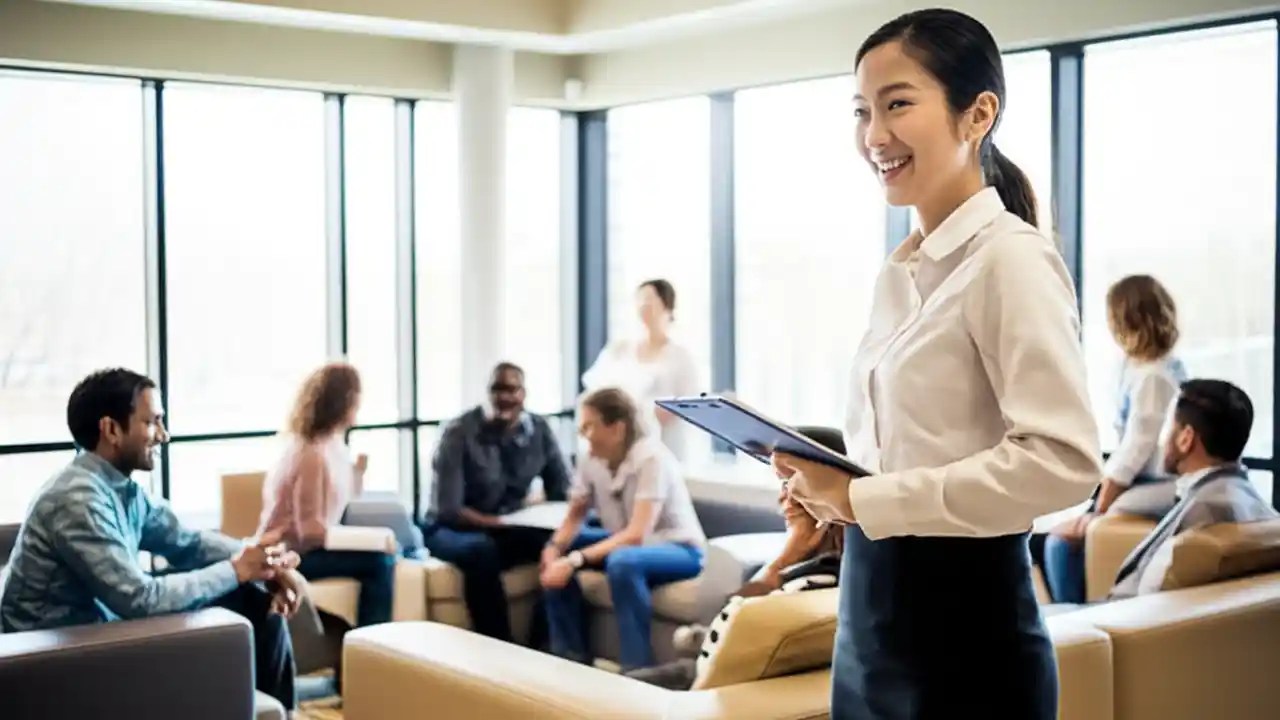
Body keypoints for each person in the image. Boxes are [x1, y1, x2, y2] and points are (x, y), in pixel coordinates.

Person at [769, 9, 1102, 718]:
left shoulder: (1009, 259)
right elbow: (909, 453)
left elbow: (1064, 462)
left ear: (977, 114)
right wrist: (832, 496)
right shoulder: (903, 272)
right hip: (871, 619)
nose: (874, 136)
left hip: (965, 633)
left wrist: (865, 500)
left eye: (897, 105)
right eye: (862, 111)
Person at [0, 369, 304, 710]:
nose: (164, 435)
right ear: (112, 429)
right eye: (152, 422)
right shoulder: (77, 500)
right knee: (241, 590)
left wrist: (264, 563)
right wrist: (237, 569)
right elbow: (140, 600)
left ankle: (275, 713)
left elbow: (188, 543)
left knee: (254, 597)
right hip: (59, 652)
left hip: (101, 627)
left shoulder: (120, 489)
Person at [1052, 379, 1277, 607]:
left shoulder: (1203, 513)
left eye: (1168, 426)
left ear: (1185, 438)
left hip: (1123, 625)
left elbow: (1144, 604)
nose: (1162, 440)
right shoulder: (1254, 505)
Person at [1043, 274, 1187, 602]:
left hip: (1159, 485)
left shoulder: (1155, 376)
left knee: (1059, 542)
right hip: (1143, 480)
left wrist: (1099, 511)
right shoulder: (1139, 366)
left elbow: (1136, 448)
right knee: (1057, 537)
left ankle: (1075, 614)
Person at [540, 388, 706, 671]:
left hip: (679, 548)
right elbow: (575, 515)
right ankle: (570, 659)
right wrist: (554, 549)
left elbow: (636, 534)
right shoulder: (590, 459)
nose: (582, 432)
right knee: (565, 547)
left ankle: (636, 670)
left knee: (622, 562)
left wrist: (575, 560)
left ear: (616, 428)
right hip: (630, 544)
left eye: (589, 425)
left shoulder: (652, 458)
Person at [421, 362, 572, 642]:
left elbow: (561, 492)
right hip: (451, 530)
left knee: (562, 542)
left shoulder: (539, 430)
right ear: (487, 393)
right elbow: (449, 509)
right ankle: (499, 648)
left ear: (523, 394)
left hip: (506, 528)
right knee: (481, 551)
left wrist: (538, 519)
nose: (504, 397)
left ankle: (542, 647)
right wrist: (499, 522)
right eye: (496, 389)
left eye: (511, 389)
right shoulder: (458, 433)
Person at [257, 361, 395, 628]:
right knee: (381, 562)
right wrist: (377, 539)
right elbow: (309, 532)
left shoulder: (332, 445)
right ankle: (370, 647)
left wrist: (357, 473)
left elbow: (336, 506)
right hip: (291, 554)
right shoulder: (312, 454)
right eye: (356, 398)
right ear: (342, 402)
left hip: (305, 548)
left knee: (394, 551)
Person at [582, 279, 700, 461]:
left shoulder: (680, 357)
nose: (644, 307)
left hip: (663, 447)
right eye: (640, 301)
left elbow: (689, 404)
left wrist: (652, 415)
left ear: (667, 306)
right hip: (616, 446)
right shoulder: (618, 350)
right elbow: (595, 391)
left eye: (650, 301)